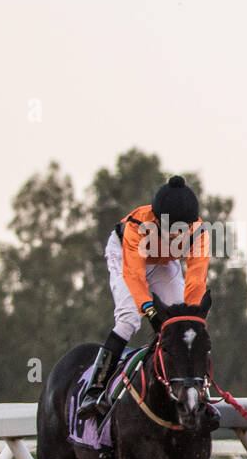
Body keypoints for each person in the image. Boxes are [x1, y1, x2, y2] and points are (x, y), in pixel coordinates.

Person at [76, 176, 210, 420]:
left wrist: (190, 316)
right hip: (127, 257)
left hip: (163, 261)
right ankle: (95, 389)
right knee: (129, 319)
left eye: (181, 230)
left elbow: (197, 279)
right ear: (157, 220)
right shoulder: (137, 226)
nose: (175, 235)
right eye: (170, 229)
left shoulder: (200, 232)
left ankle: (200, 394)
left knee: (184, 328)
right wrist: (149, 310)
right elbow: (134, 275)